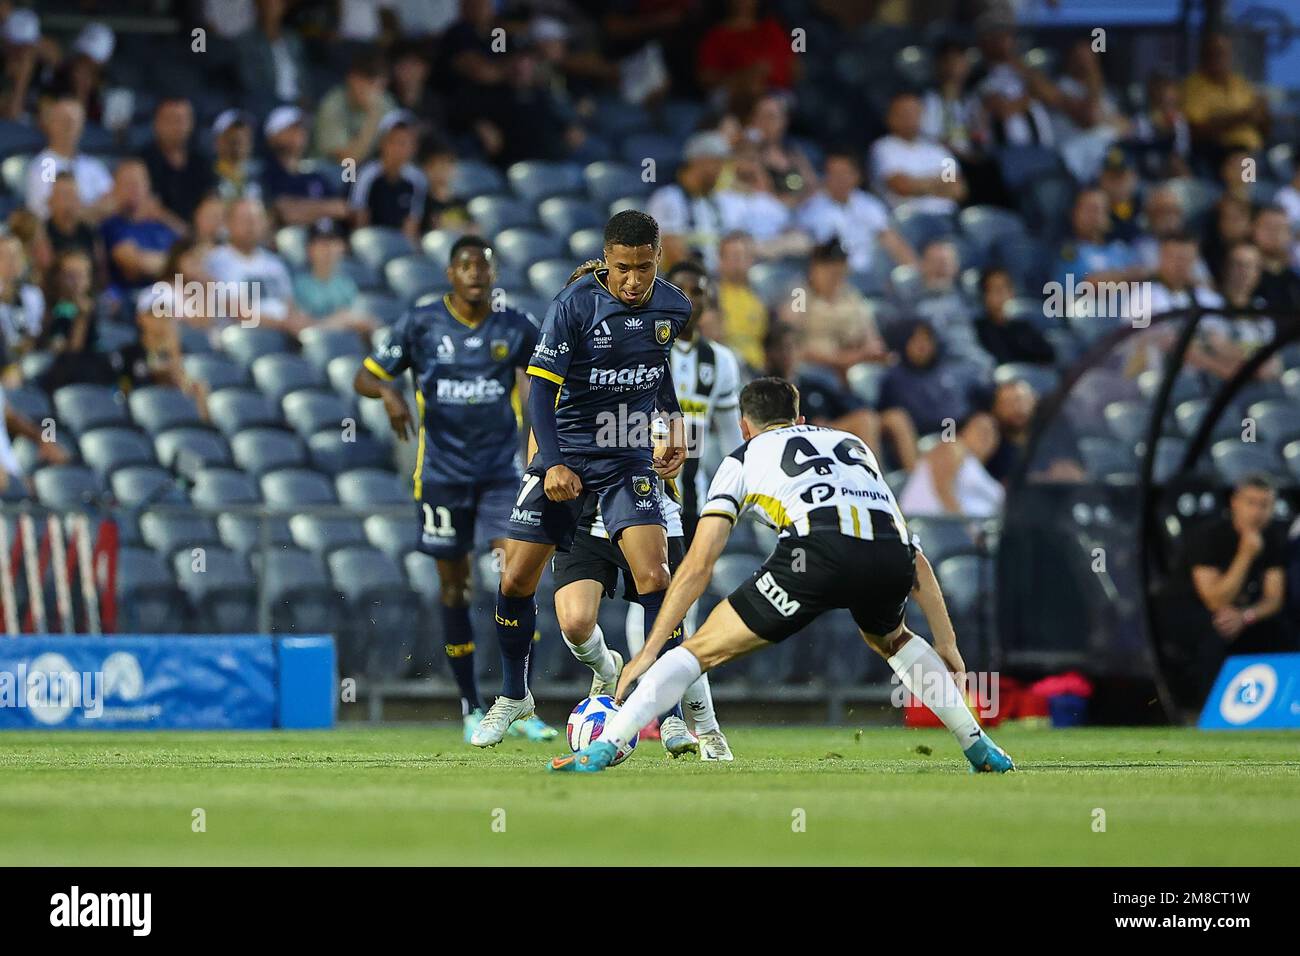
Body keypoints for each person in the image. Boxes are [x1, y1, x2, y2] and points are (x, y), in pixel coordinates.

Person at [550, 377, 1014, 774]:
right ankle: (978, 744)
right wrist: (948, 643)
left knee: (698, 651)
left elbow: (699, 564)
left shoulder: (742, 456)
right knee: (892, 637)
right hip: (888, 556)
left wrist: (649, 650)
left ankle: (605, 745)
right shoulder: (854, 446)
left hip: (817, 553)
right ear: (798, 417)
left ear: (743, 424)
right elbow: (914, 555)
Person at [470, 210, 690, 748]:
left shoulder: (674, 306)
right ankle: (515, 695)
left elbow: (653, 369)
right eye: (623, 269)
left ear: (657, 260)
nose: (633, 281)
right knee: (516, 580)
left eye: (643, 268)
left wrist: (675, 423)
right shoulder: (574, 306)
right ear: (607, 261)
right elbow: (539, 392)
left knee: (657, 576)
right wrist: (553, 462)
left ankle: (674, 710)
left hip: (627, 460)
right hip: (566, 453)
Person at [548, 258, 737, 760]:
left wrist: (668, 442)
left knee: (665, 613)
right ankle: (610, 673)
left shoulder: (642, 361)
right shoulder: (558, 374)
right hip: (582, 514)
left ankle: (697, 725)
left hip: (646, 500)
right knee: (574, 622)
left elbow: (663, 416)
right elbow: (537, 436)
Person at [354, 235, 540, 742]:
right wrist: (390, 393)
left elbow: (551, 378)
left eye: (484, 265)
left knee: (516, 578)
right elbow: (363, 377)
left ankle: (518, 698)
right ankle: (469, 704)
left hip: (503, 475)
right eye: (465, 266)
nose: (476, 273)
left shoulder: (515, 325)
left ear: (494, 274)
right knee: (455, 586)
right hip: (441, 476)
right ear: (450, 273)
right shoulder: (420, 323)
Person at [1186, 475, 1291, 676]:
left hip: (1243, 612)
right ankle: (1205, 704)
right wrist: (1245, 554)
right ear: (1235, 502)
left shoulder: (1273, 537)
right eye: (1250, 503)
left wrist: (1246, 616)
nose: (1257, 512)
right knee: (1215, 635)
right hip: (1196, 608)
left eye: (1265, 505)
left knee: (1282, 630)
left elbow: (1274, 598)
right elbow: (1215, 600)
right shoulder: (1207, 535)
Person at [796, 150, 916, 276]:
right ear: (826, 176)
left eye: (844, 173)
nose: (840, 179)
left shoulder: (869, 204)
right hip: (837, 278)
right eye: (834, 173)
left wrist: (915, 271)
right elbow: (815, 255)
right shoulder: (812, 209)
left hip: (873, 274)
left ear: (856, 176)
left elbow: (892, 241)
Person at [870, 92, 967, 215]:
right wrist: (940, 183)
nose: (911, 118)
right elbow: (902, 187)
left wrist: (917, 183)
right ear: (890, 117)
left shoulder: (938, 148)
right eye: (905, 113)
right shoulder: (882, 148)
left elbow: (958, 189)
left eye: (915, 112)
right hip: (910, 221)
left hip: (948, 216)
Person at [645, 130, 729, 270]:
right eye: (717, 164)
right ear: (700, 162)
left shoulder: (712, 202)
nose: (720, 172)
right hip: (684, 282)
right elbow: (673, 253)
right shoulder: (668, 198)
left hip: (714, 281)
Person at [899, 411, 1004, 519]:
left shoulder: (984, 473)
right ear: (963, 431)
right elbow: (942, 488)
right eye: (980, 429)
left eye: (993, 432)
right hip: (932, 525)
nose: (986, 436)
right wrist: (967, 528)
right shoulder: (953, 447)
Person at [25, 95, 114, 221]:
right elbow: (45, 212)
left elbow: (112, 202)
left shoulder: (92, 166)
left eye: (74, 122)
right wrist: (93, 212)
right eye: (64, 121)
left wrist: (75, 212)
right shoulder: (46, 164)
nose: (69, 128)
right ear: (51, 125)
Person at [260, 106, 349, 227]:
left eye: (302, 128)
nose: (299, 132)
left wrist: (303, 209)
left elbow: (341, 208)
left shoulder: (315, 176)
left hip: (328, 240)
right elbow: (286, 213)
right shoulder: (267, 175)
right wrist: (326, 209)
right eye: (291, 128)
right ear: (272, 136)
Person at [349, 110, 426, 243]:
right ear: (382, 143)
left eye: (406, 142)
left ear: (414, 147)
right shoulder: (366, 174)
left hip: (400, 243)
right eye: (395, 141)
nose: (400, 148)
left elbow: (411, 224)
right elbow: (359, 221)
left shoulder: (418, 179)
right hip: (370, 241)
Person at [292, 218, 378, 334]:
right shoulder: (299, 285)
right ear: (310, 249)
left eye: (333, 243)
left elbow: (364, 320)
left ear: (342, 247)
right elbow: (300, 327)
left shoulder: (347, 284)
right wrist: (338, 321)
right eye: (323, 244)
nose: (329, 249)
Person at [140, 97, 217, 225]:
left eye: (182, 120)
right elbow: (145, 207)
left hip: (198, 235)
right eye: (171, 120)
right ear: (156, 123)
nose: (177, 126)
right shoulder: (141, 162)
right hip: (154, 236)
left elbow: (211, 201)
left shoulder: (202, 161)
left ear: (191, 123)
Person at [974, 267, 1054, 366]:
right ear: (984, 295)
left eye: (1006, 288)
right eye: (995, 290)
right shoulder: (978, 328)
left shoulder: (1022, 323)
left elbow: (1048, 355)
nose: (1002, 294)